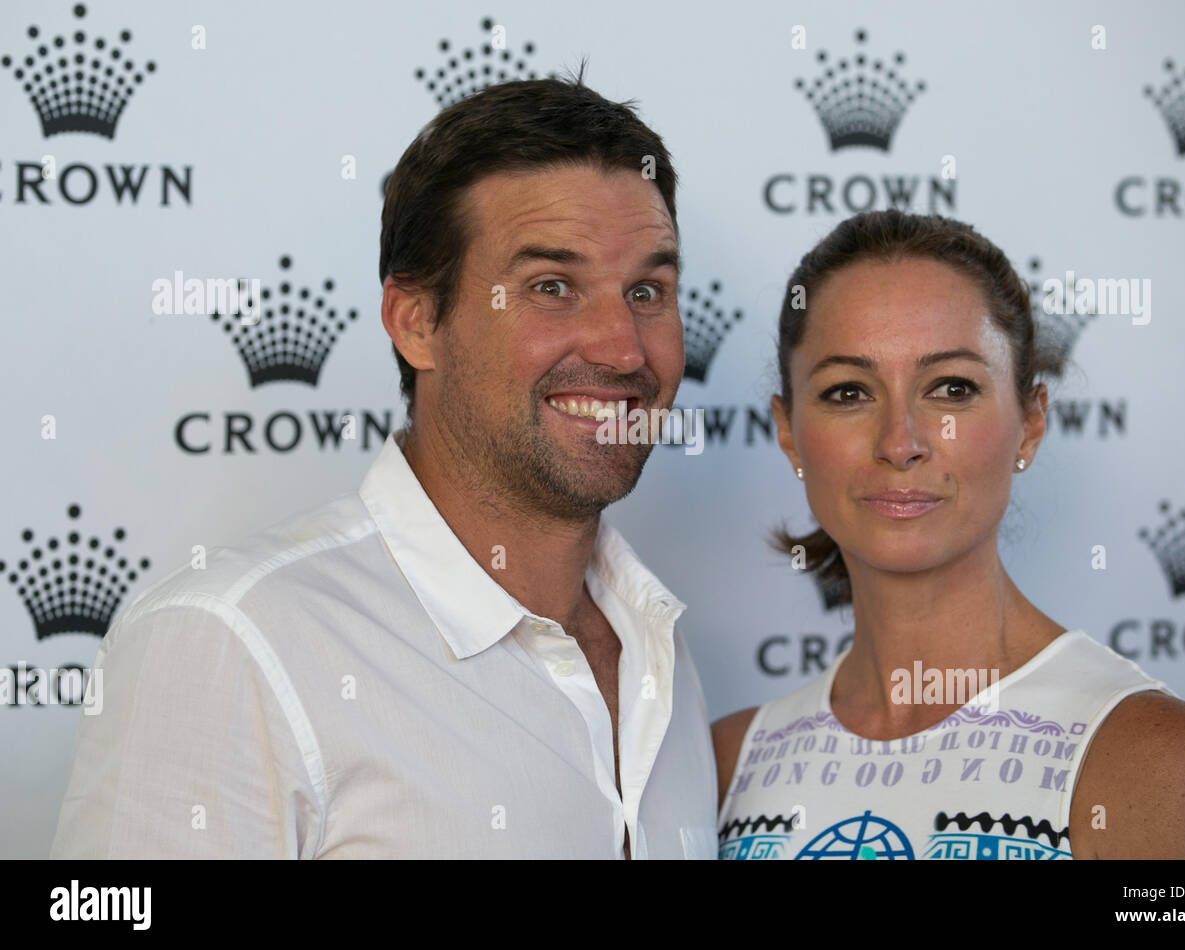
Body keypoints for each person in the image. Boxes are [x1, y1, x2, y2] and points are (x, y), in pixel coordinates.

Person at [51, 75, 717, 859]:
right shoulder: (230, 645)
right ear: (416, 322)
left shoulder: (658, 655)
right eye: (551, 287)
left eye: (648, 289)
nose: (623, 347)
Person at [712, 210, 1185, 860]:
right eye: (849, 392)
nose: (900, 443)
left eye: (951, 388)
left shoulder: (1153, 758)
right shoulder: (726, 767)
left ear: (1029, 424)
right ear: (788, 432)